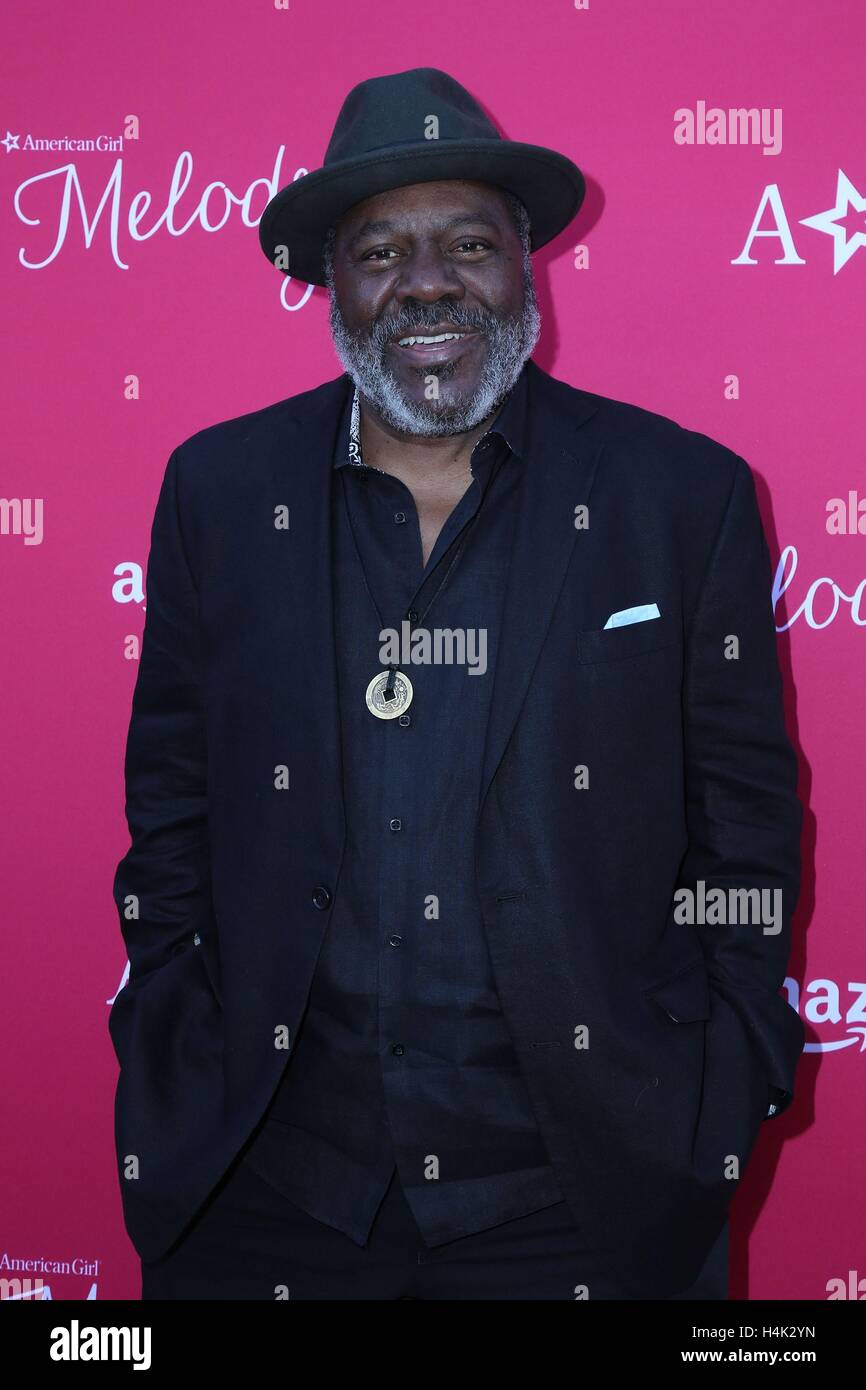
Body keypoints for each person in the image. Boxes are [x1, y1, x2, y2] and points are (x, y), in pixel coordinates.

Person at [110, 67, 804, 1300]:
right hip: (265, 1181)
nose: (427, 282)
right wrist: (169, 1026)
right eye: (381, 251)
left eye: (468, 243)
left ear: (524, 265)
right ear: (331, 282)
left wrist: (723, 1070)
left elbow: (742, 830)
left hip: (586, 1193)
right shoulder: (216, 493)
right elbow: (172, 810)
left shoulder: (679, 496)